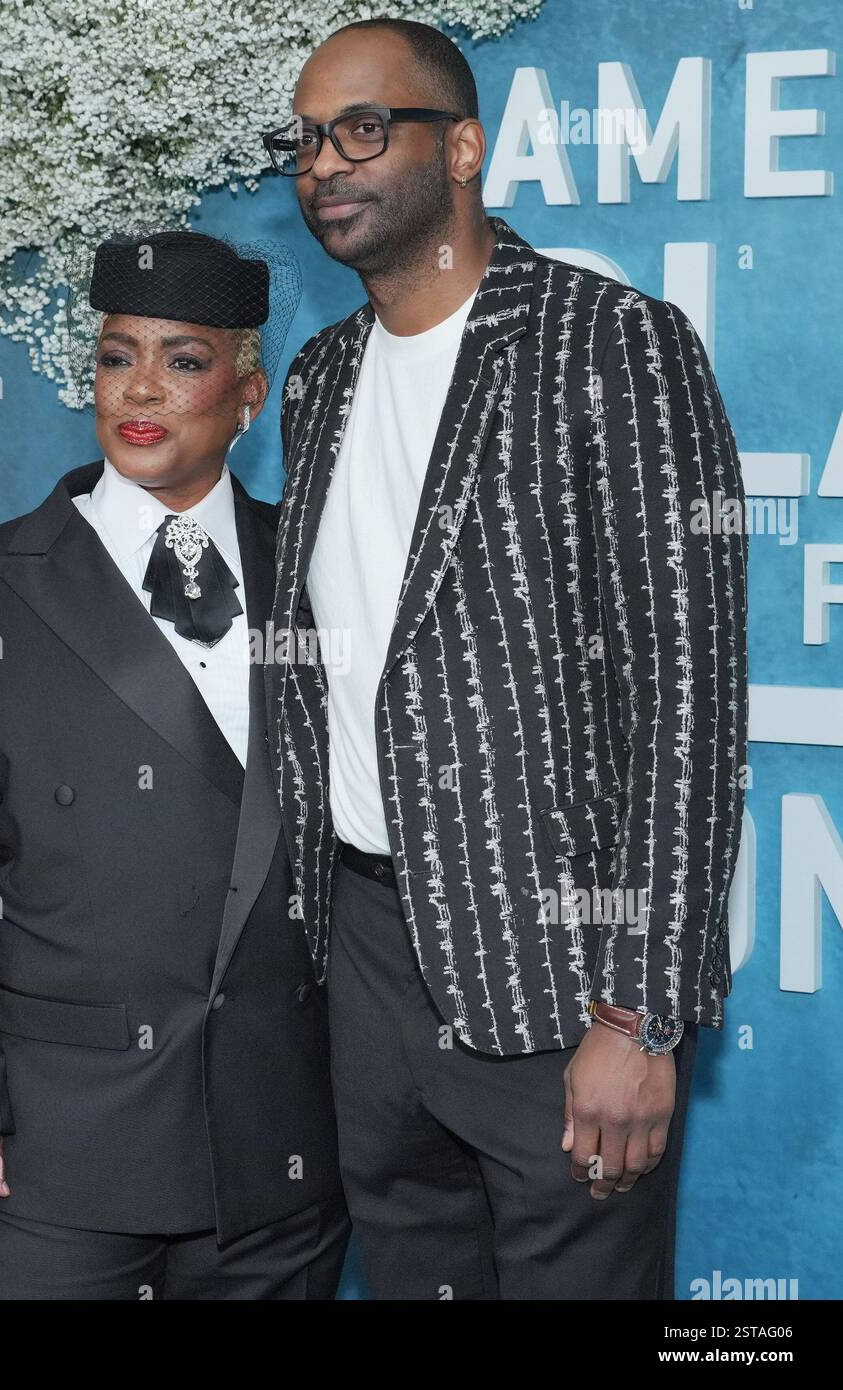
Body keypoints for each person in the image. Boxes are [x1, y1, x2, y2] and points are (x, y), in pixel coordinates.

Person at [262, 18, 748, 1299]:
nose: (323, 163)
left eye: (362, 129)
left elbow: (686, 700)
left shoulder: (611, 344)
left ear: (463, 148)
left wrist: (637, 1013)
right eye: (304, 139)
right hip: (365, 968)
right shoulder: (316, 379)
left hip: (559, 982)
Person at [0, 229, 348, 1300]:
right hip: (59, 1155)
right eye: (114, 355)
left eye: (182, 360)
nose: (138, 387)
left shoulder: (325, 577)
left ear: (247, 395)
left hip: (283, 1145)